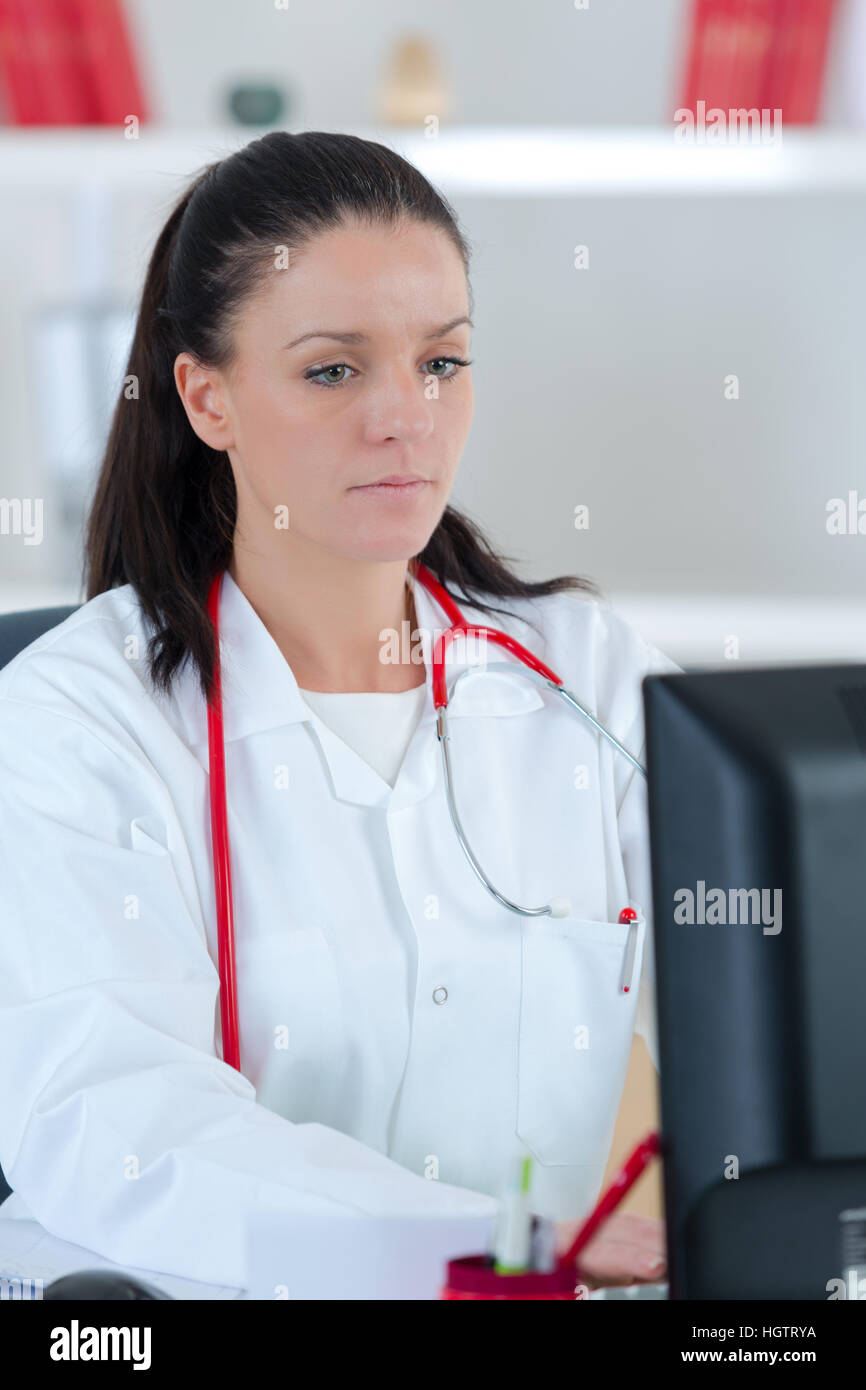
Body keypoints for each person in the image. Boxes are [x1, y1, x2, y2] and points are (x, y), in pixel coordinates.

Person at [0, 131, 678, 1292]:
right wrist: (485, 1252)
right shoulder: (77, 723)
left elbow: (777, 994)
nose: (403, 417)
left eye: (441, 363)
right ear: (206, 396)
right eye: (332, 369)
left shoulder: (593, 681)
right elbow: (118, 1125)